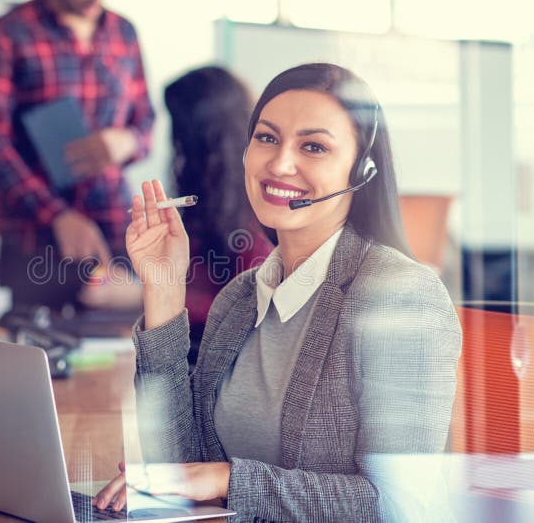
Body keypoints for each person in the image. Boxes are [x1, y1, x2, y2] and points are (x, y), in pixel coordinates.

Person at [93, 63, 462, 521]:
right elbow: (181, 470)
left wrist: (228, 481)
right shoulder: (240, 299)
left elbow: (398, 507)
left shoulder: (400, 296)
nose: (280, 163)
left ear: (362, 171)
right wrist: (164, 291)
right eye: (267, 138)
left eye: (313, 146)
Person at [0, 0, 154, 310]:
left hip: (113, 237)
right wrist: (57, 215)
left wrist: (127, 142)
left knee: (124, 353)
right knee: (33, 352)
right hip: (36, 244)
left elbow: (145, 123)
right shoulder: (8, 34)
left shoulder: (124, 33)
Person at [80, 66, 273, 359]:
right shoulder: (210, 200)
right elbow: (194, 278)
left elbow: (247, 312)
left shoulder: (257, 209)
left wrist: (144, 294)